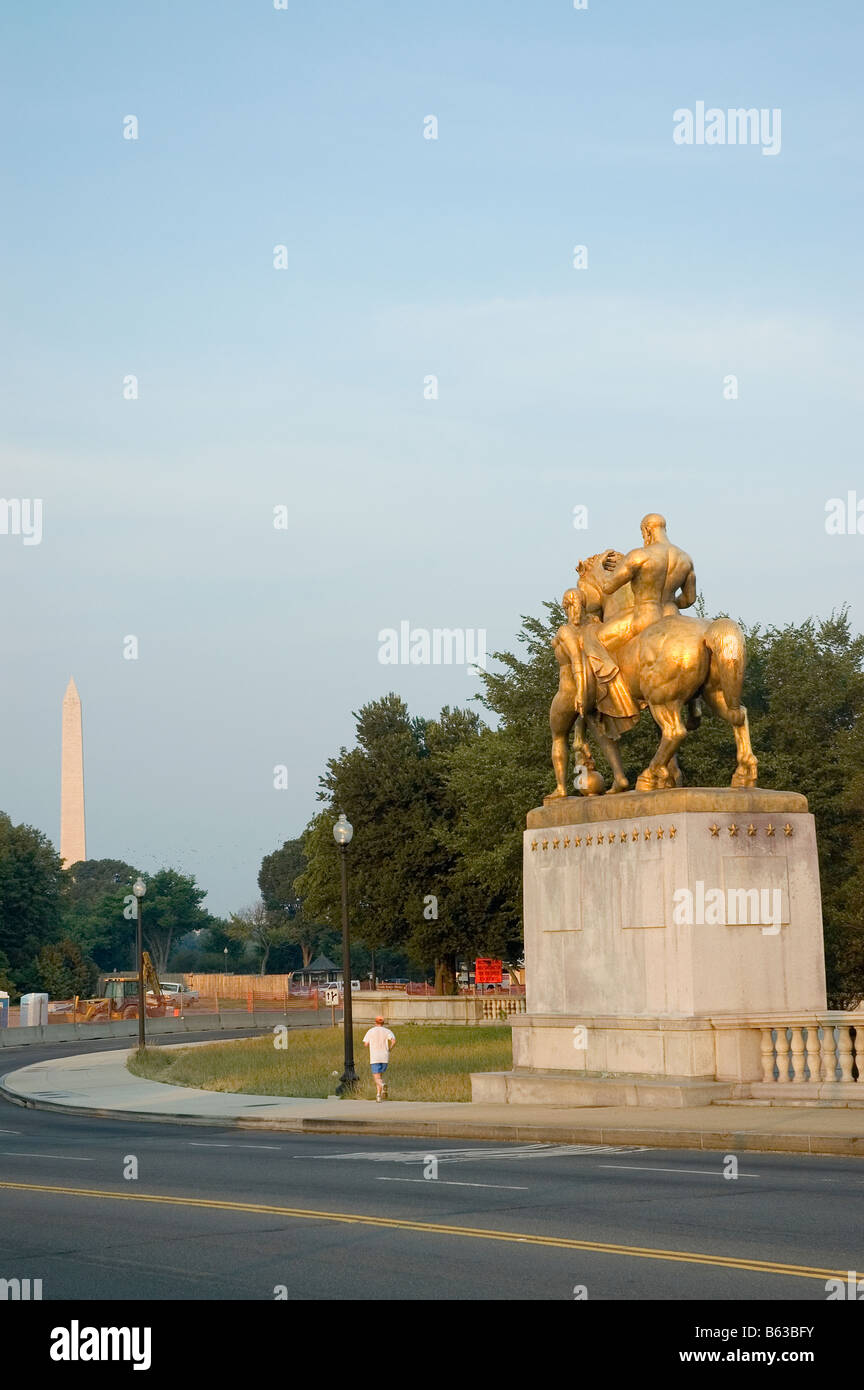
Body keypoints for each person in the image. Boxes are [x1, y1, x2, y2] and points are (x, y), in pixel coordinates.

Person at [362, 1015, 396, 1101]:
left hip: (375, 1057)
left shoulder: (370, 1031)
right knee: (380, 1076)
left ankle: (383, 1085)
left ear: (375, 1022)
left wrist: (370, 1043)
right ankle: (378, 1095)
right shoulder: (388, 1031)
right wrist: (389, 1049)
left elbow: (365, 1044)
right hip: (385, 1057)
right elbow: (393, 1041)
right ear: (383, 1023)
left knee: (377, 1078)